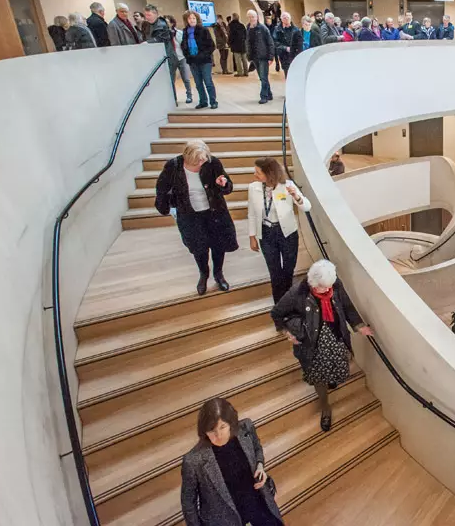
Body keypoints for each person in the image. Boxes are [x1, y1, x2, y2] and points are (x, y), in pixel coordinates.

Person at [270, 260, 375, 431]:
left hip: (334, 334)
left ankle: (332, 379)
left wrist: (359, 326)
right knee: (319, 375)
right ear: (312, 283)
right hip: (312, 343)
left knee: (338, 363)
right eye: (323, 287)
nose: (327, 290)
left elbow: (347, 306)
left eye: (329, 286)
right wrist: (287, 333)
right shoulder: (297, 293)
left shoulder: (335, 284)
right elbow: (276, 313)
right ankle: (325, 407)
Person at [180, 398, 284, 526]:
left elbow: (257, 448)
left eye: (222, 427)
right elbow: (188, 503)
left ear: (231, 423)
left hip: (258, 505)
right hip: (224, 520)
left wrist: (260, 466)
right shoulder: (193, 461)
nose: (218, 435)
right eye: (212, 430)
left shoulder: (245, 428)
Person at [155, 140, 238, 295]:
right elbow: (162, 188)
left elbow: (228, 187)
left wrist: (223, 184)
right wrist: (165, 206)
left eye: (204, 158)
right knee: (199, 248)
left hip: (214, 213)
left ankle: (218, 275)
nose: (202, 162)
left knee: (218, 245)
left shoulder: (212, 163)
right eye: (198, 160)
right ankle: (203, 274)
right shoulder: (174, 166)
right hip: (189, 215)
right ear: (188, 157)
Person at [248, 157, 311, 304]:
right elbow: (251, 213)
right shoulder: (253, 188)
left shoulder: (287, 186)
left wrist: (296, 196)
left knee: (288, 270)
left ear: (269, 174)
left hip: (287, 234)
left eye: (258, 172)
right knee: (275, 272)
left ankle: (289, 301)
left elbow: (307, 207)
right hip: (266, 233)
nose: (255, 175)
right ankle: (280, 306)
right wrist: (252, 236)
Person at [180, 10, 218, 109]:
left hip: (205, 61)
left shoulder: (204, 30)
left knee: (208, 82)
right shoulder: (185, 32)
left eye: (193, 18)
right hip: (193, 61)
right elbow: (184, 46)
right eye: (189, 18)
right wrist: (188, 55)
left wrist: (202, 55)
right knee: (198, 83)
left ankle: (213, 101)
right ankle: (203, 101)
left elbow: (211, 46)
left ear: (197, 19)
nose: (192, 20)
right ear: (186, 20)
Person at [247, 9, 275, 104]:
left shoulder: (263, 28)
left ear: (257, 17)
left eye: (253, 16)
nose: (252, 19)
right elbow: (247, 43)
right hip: (254, 57)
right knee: (262, 77)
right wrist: (249, 56)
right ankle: (269, 94)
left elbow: (270, 42)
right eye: (250, 17)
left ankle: (264, 96)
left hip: (263, 56)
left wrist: (271, 57)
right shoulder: (248, 28)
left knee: (263, 77)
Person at [166, 15, 194, 104]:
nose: (165, 24)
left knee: (186, 78)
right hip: (171, 59)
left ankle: (189, 96)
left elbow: (184, 45)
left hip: (182, 57)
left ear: (172, 23)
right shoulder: (164, 35)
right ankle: (173, 98)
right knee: (171, 80)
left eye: (167, 22)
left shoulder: (179, 33)